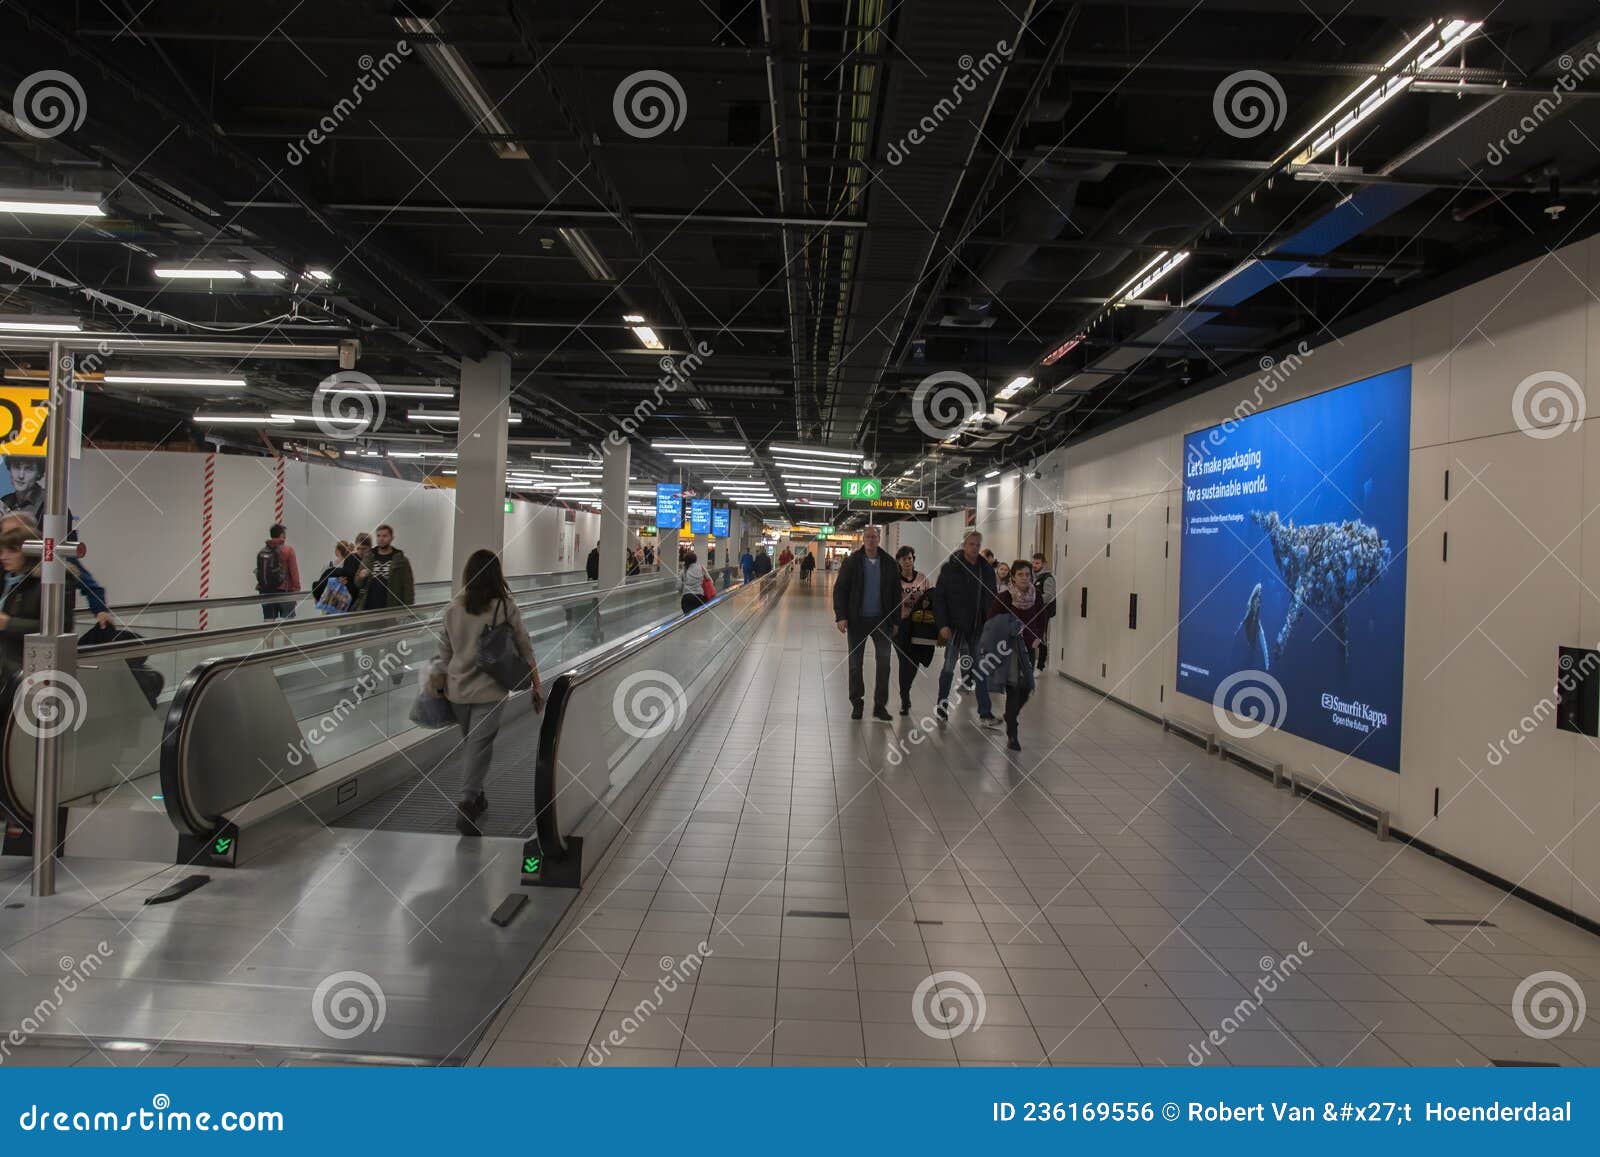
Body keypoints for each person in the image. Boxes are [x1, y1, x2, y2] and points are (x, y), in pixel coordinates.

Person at [428, 549, 542, 836]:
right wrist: (536, 682)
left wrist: (438, 682)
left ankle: (477, 797)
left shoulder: (453, 608)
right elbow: (523, 644)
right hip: (489, 691)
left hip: (457, 690)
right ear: (496, 575)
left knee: (473, 746)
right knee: (479, 747)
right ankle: (466, 803)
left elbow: (443, 651)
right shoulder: (504, 607)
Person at [832, 524, 901, 721]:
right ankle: (857, 703)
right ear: (863, 539)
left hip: (882, 621)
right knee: (855, 664)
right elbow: (840, 590)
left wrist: (895, 620)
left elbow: (896, 594)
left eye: (874, 537)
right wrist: (841, 616)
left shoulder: (888, 563)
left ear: (879, 539)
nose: (871, 540)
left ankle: (880, 705)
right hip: (857, 620)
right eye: (868, 537)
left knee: (884, 664)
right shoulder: (853, 562)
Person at [0, 510, 112, 628]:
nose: (7, 538)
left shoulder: (54, 558)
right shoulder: (7, 566)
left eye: (14, 533)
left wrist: (100, 610)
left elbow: (90, 586)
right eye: (4, 532)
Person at [980, 559, 1047, 751]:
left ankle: (1010, 716)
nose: (1024, 578)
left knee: (1026, 687)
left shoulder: (1037, 596)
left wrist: (1038, 637)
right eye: (1020, 575)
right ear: (1013, 577)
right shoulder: (1004, 597)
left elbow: (1042, 618)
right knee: (1013, 688)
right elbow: (991, 621)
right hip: (1009, 649)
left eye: (1027, 574)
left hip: (1028, 647)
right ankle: (1013, 735)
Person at [933, 529, 999, 727]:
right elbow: (939, 598)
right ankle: (942, 707)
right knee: (948, 668)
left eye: (978, 545)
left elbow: (992, 596)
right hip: (955, 628)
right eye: (971, 544)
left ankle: (985, 713)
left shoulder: (985, 569)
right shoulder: (950, 568)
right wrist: (943, 624)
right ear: (964, 545)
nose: (974, 548)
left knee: (980, 670)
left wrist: (991, 621)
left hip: (977, 627)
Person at [891, 545, 934, 715]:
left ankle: (905, 691)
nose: (908, 561)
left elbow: (931, 598)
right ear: (899, 562)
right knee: (904, 660)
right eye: (904, 559)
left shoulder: (922, 578)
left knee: (914, 662)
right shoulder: (894, 579)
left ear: (913, 559)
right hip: (900, 626)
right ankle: (904, 698)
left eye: (910, 558)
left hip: (918, 626)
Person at [356, 523, 414, 612]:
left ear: (392, 538)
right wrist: (361, 577)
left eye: (385, 536)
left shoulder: (401, 560)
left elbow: (408, 588)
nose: (381, 539)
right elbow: (357, 583)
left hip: (390, 609)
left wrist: (408, 610)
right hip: (368, 609)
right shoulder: (368, 557)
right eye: (378, 536)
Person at [255, 522, 300, 620]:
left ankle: (269, 636)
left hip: (266, 591)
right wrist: (297, 590)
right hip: (285, 591)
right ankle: (285, 636)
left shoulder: (263, 551)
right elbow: (294, 572)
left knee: (269, 620)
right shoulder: (288, 550)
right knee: (288, 623)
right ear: (282, 535)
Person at [0, 456, 45, 524]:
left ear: (39, 473)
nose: (21, 476)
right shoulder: (5, 500)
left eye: (29, 469)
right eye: (17, 467)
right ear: (9, 469)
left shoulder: (49, 503)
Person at [1031, 551, 1056, 672]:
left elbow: (1049, 595)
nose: (1035, 565)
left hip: (1043, 611)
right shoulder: (1034, 577)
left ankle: (1041, 665)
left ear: (1043, 564)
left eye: (1037, 563)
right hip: (1034, 611)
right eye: (1033, 562)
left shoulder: (1048, 578)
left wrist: (1035, 601)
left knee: (1041, 637)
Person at [678, 549, 711, 613]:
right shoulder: (701, 568)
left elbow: (679, 586)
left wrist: (682, 592)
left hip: (686, 598)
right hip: (699, 597)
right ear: (695, 560)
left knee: (687, 617)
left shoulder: (683, 570)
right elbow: (710, 580)